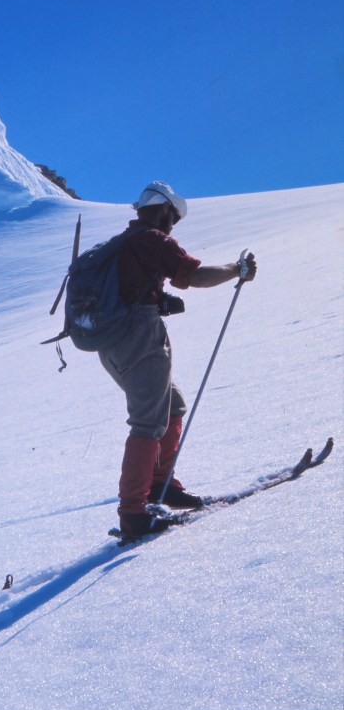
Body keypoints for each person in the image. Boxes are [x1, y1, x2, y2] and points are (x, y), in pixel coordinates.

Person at [99, 182, 257, 538]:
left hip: (110, 342)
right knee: (147, 422)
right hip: (137, 340)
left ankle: (160, 485)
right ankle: (134, 513)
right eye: (173, 217)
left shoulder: (123, 243)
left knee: (172, 405)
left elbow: (128, 289)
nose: (173, 226)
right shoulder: (152, 239)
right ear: (163, 209)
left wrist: (159, 301)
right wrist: (237, 269)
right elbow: (195, 276)